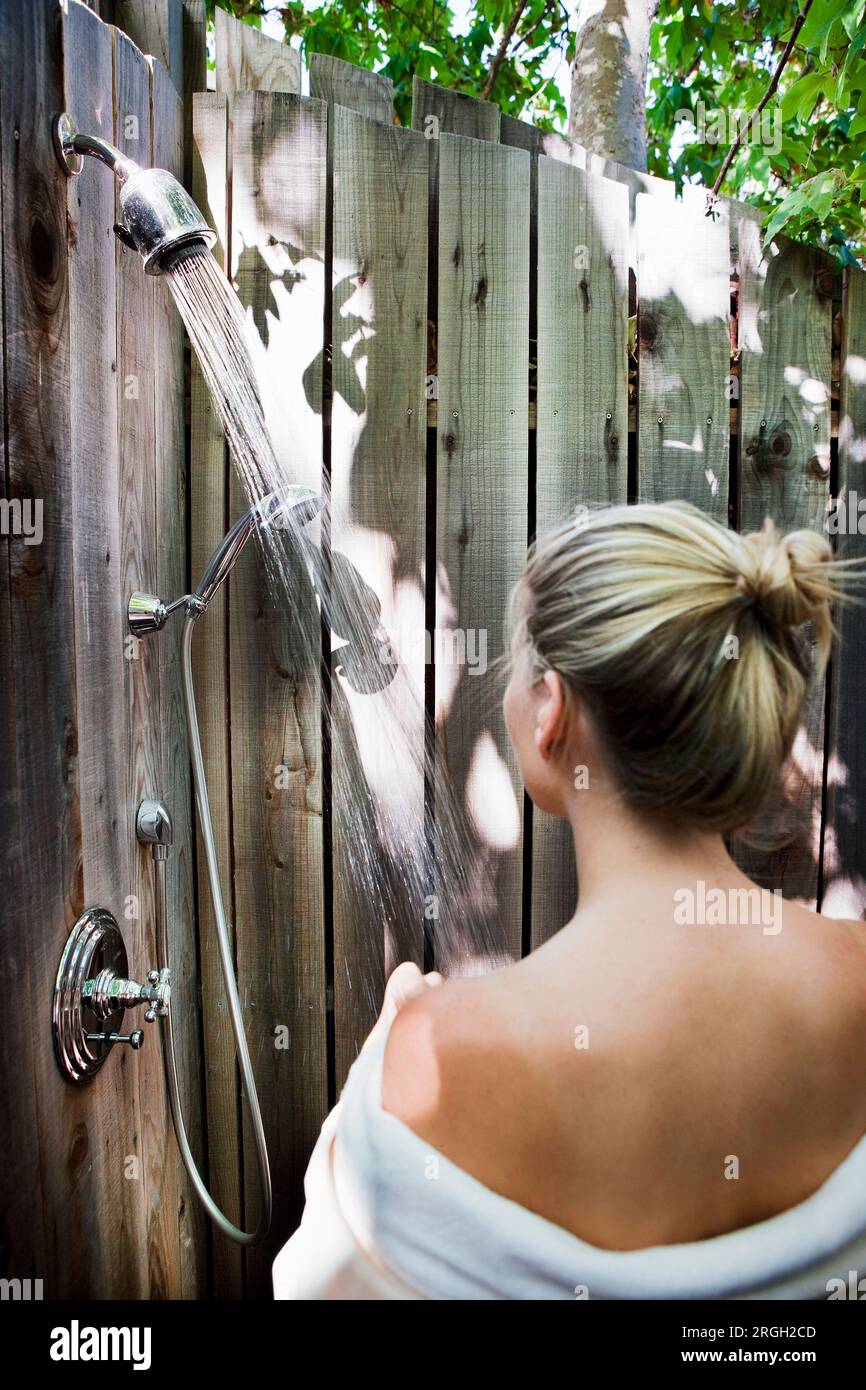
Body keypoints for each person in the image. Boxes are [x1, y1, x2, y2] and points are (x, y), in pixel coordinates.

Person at [274, 500, 866, 1300]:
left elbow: (319, 1287)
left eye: (520, 665)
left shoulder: (431, 1060)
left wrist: (371, 1081)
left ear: (550, 711)